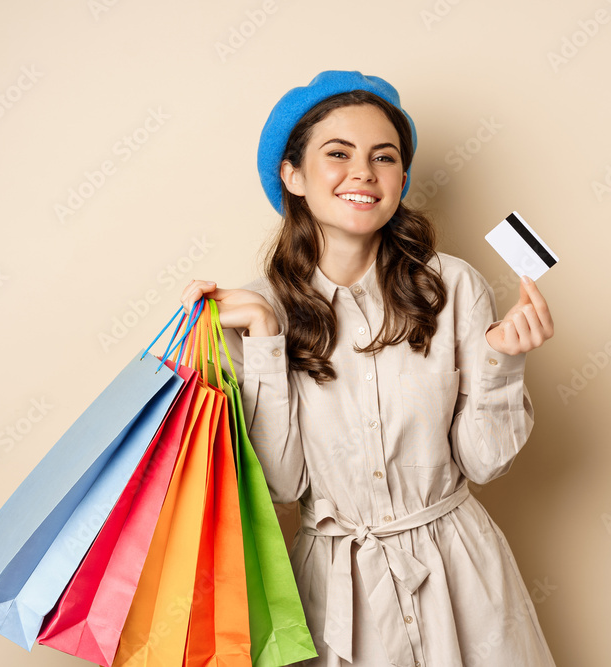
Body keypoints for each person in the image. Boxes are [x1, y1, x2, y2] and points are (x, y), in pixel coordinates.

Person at [181, 70, 557, 667]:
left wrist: (503, 366)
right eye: (338, 153)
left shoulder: (454, 285)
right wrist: (266, 341)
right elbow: (282, 486)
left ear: (400, 180)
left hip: (461, 574)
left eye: (384, 157)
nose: (363, 172)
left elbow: (484, 463)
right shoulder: (255, 310)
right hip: (336, 594)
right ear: (292, 175)